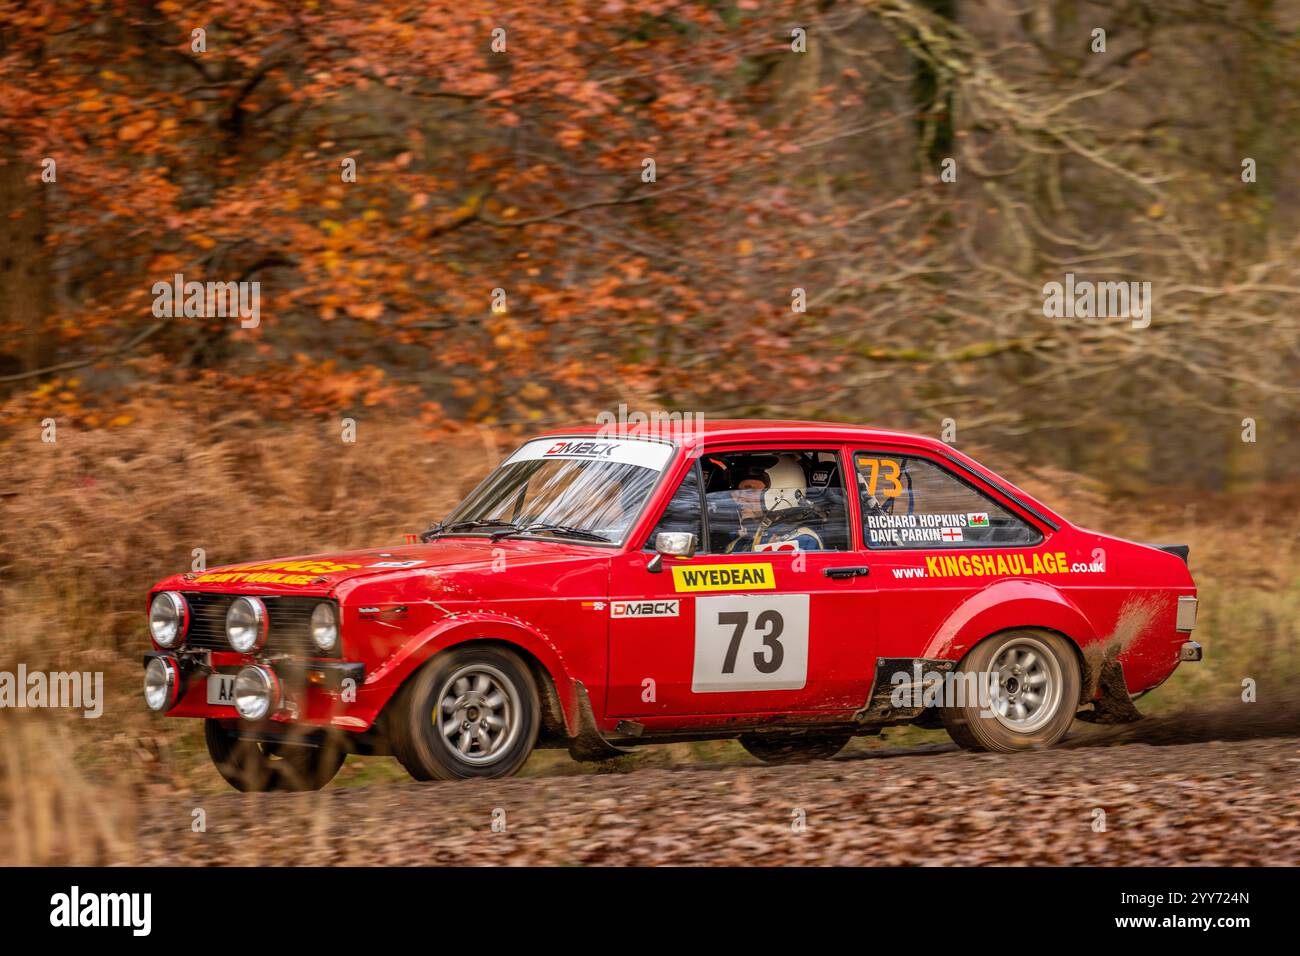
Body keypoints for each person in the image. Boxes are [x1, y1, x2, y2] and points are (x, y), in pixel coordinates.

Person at [724, 456, 826, 553]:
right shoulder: (745, 539)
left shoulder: (802, 541)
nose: (737, 498)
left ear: (781, 493)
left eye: (750, 491)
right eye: (738, 491)